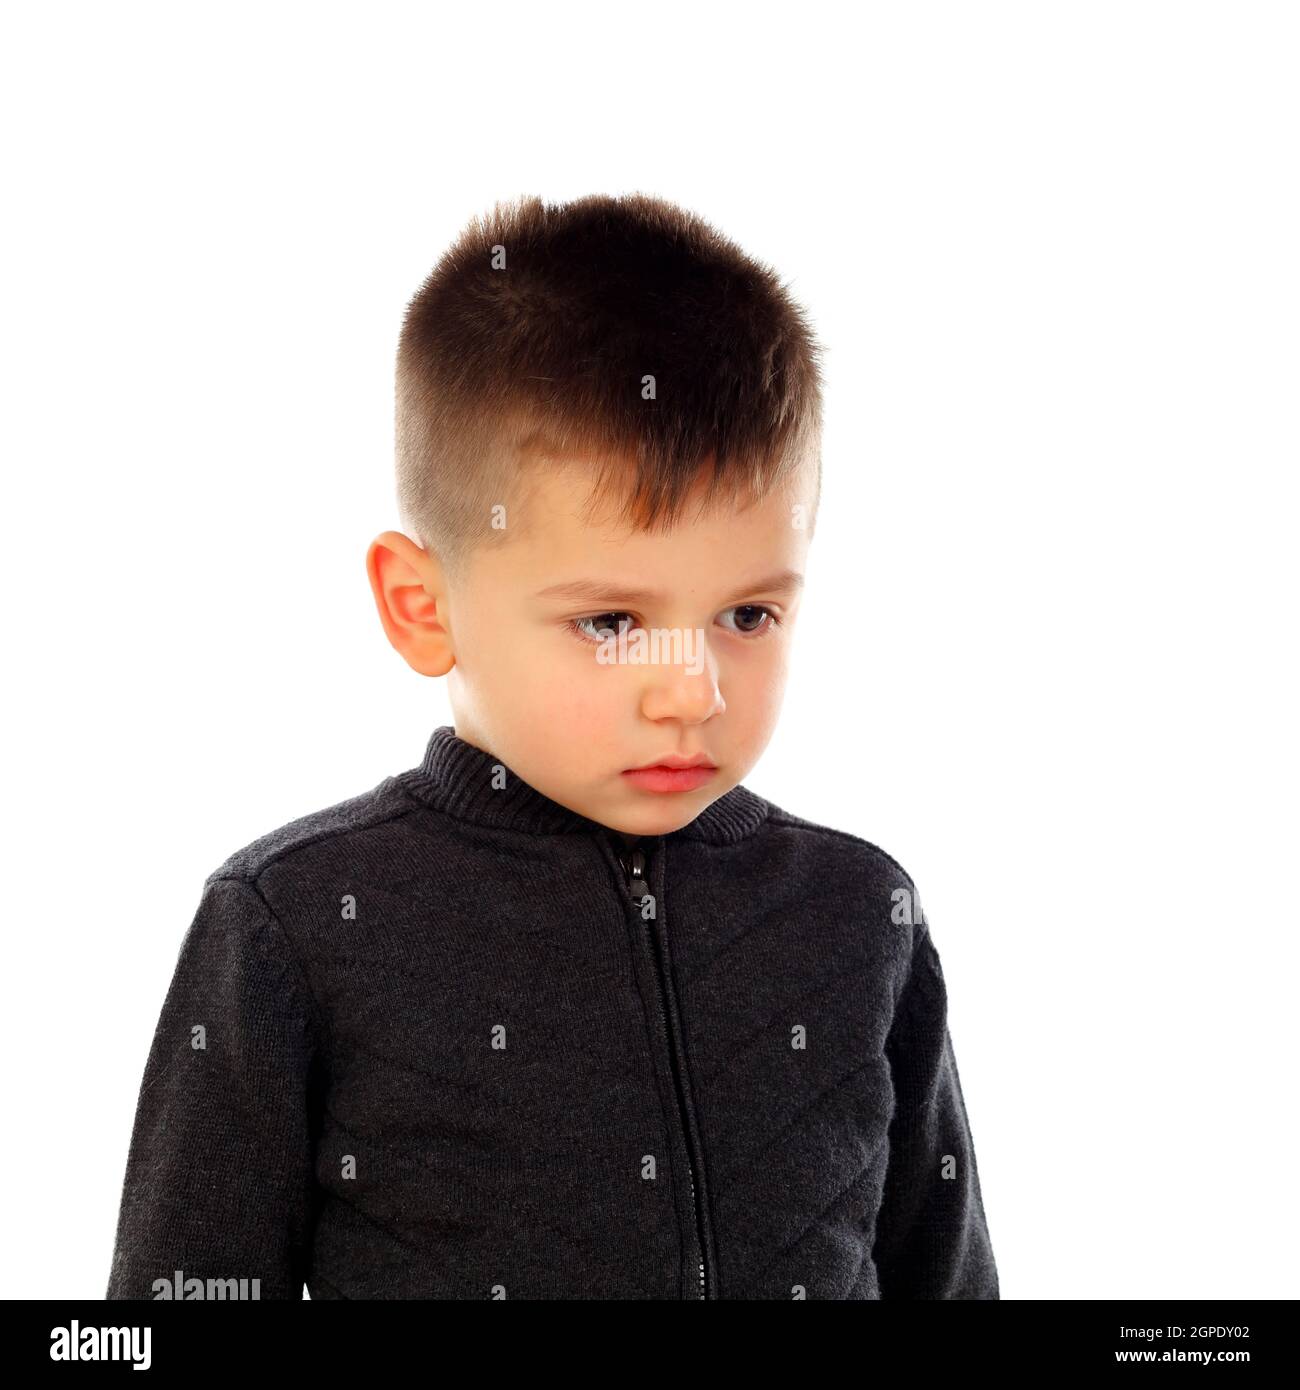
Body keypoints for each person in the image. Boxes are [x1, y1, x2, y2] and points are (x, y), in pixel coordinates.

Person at [106, 193, 998, 1300]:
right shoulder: (295, 922)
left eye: (749, 616)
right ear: (422, 605)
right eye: (612, 622)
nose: (692, 691)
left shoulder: (858, 910)